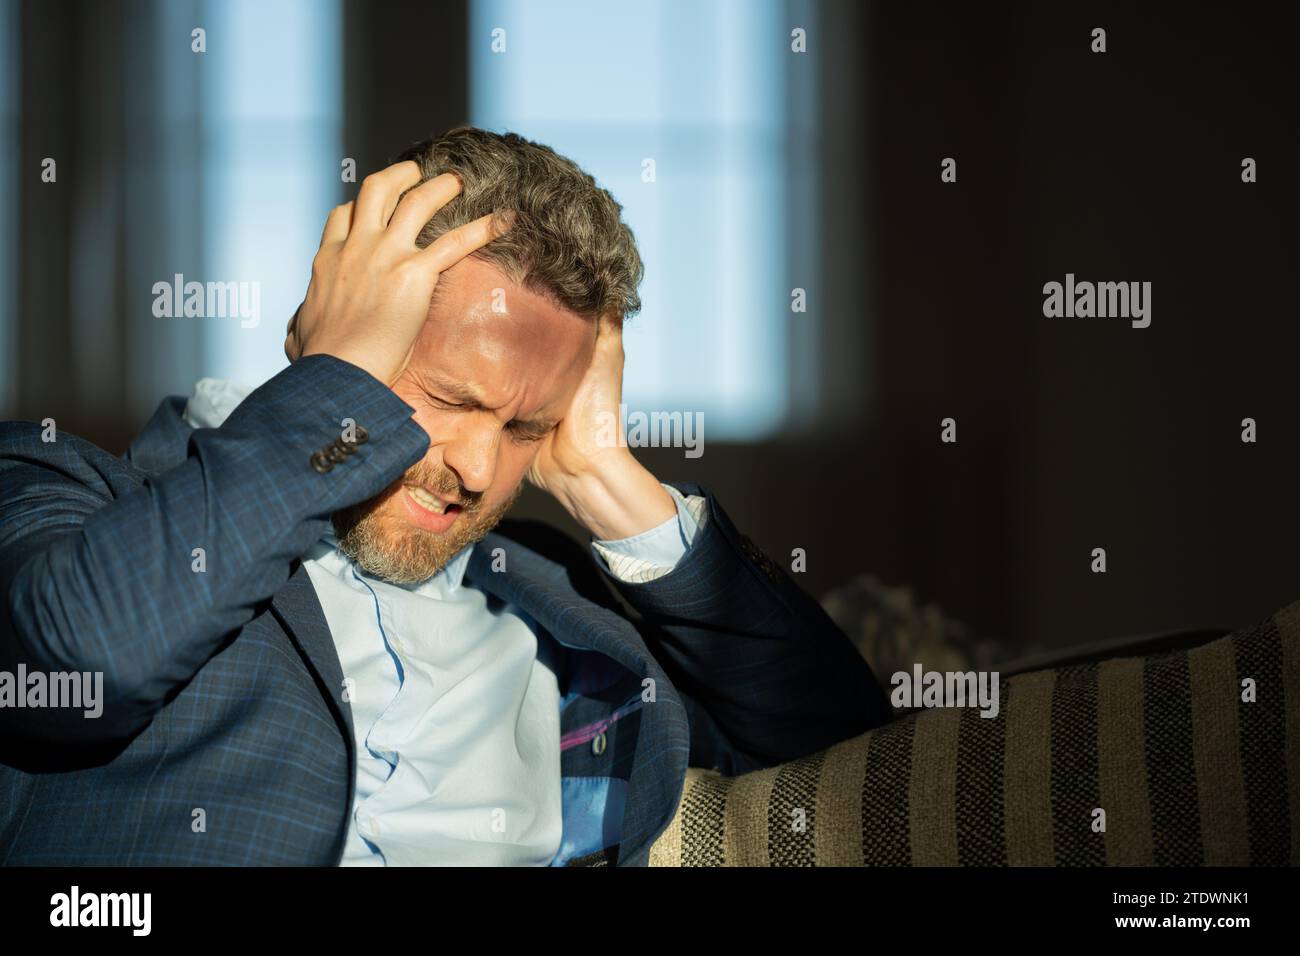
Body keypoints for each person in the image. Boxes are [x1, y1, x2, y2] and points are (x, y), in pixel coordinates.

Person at [0, 127, 892, 867]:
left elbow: (854, 760)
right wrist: (335, 386)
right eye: (454, 399)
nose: (475, 468)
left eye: (523, 429)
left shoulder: (564, 615)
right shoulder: (67, 494)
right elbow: (80, 665)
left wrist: (607, 483)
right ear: (341, 326)